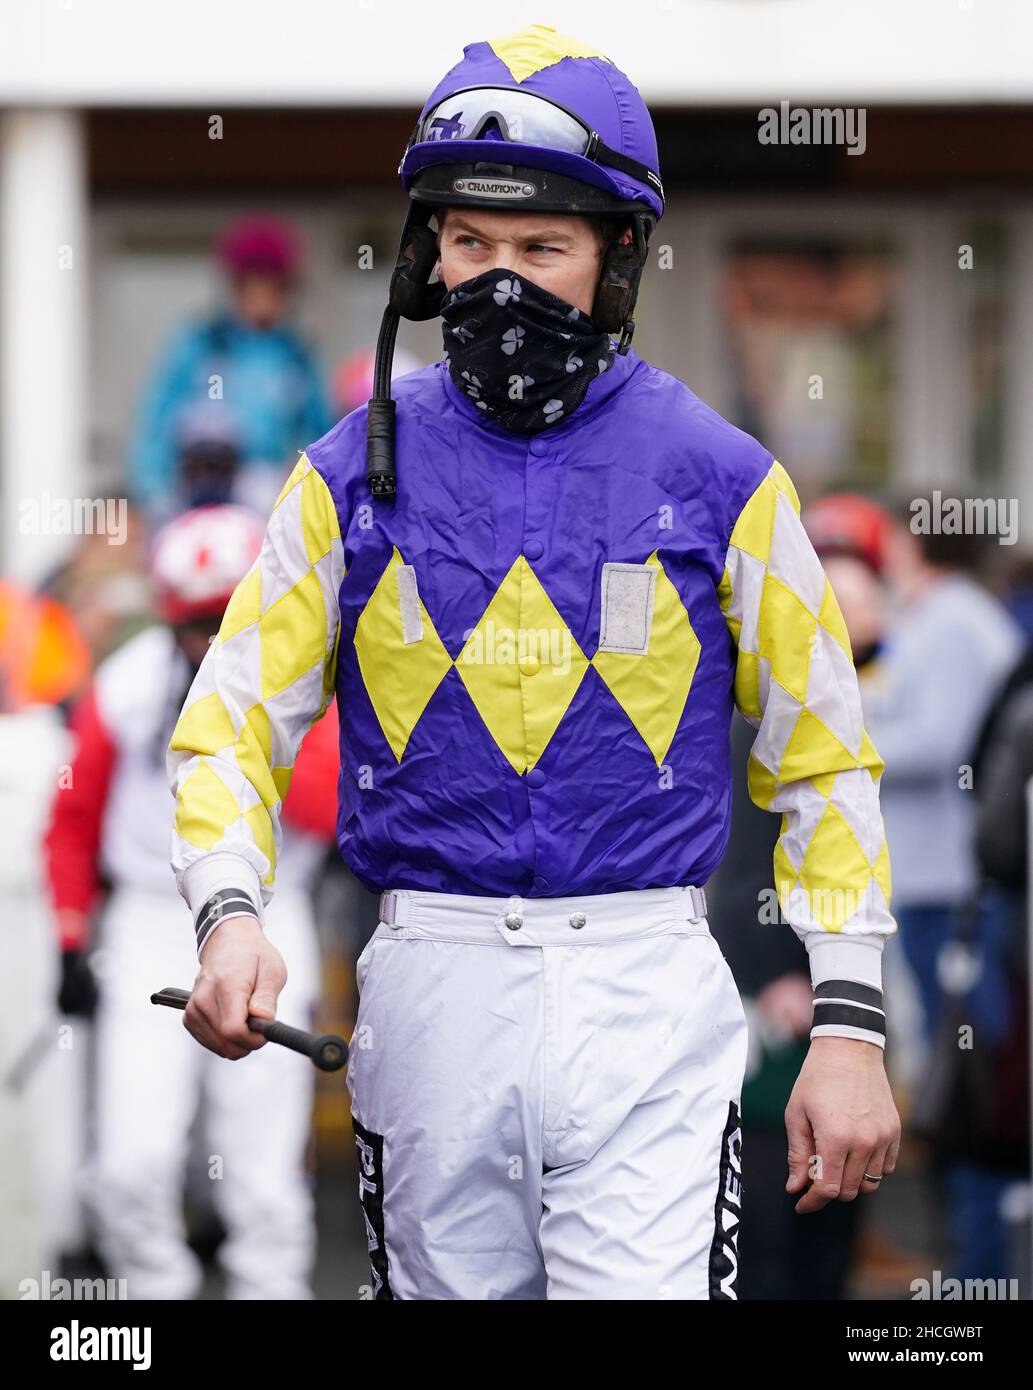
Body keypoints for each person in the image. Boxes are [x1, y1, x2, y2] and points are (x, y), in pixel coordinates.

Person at [168, 23, 899, 1301]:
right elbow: (227, 726)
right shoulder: (341, 477)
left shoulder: (728, 480)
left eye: (541, 248)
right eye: (467, 243)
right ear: (423, 254)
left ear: (620, 258)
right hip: (429, 995)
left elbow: (823, 758)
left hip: (645, 994)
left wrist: (847, 1016)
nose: (497, 280)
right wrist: (230, 912)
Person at [46, 505, 338, 1300]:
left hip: (271, 923)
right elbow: (71, 824)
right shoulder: (127, 685)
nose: (210, 643)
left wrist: (250, 740)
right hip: (151, 924)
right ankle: (151, 1299)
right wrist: (72, 942)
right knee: (131, 1163)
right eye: (194, 625)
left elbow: (328, 809)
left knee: (261, 1172)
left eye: (225, 621)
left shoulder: (303, 680)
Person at [866, 496, 1023, 1043]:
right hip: (936, 864)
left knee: (963, 1036)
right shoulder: (939, 613)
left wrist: (850, 751)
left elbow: (939, 741)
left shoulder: (953, 621)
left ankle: (971, 1133)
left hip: (950, 869)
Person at [129, 216, 330, 518]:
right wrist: (154, 493)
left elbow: (319, 435)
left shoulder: (297, 355)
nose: (263, 297)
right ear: (237, 285)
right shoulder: (200, 343)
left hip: (267, 495)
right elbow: (158, 423)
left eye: (273, 286)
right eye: (254, 283)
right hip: (195, 491)